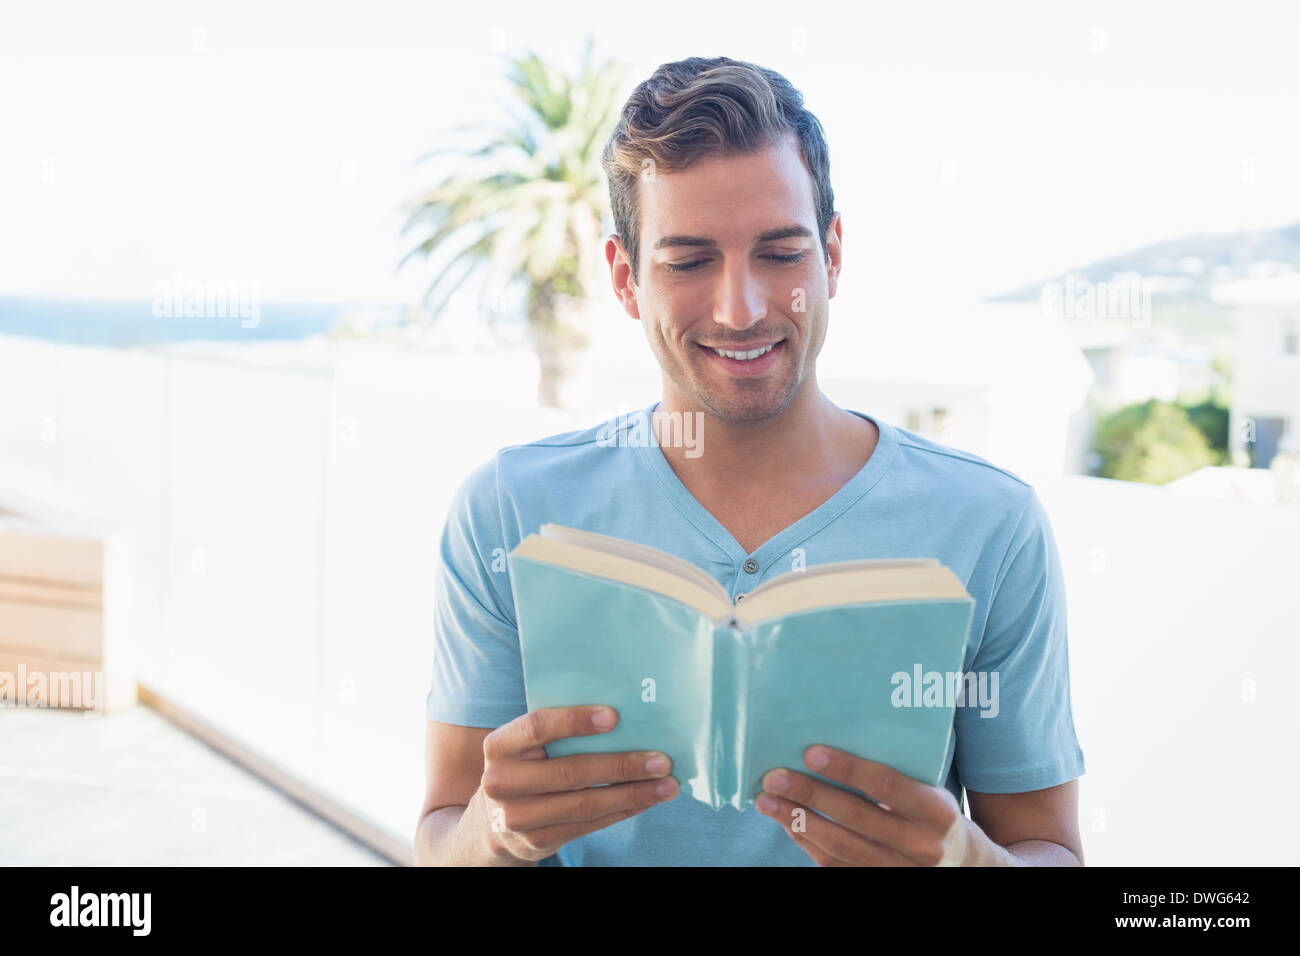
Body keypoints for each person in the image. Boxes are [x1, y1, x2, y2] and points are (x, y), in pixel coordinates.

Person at [414, 55, 1085, 866]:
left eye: (781, 253)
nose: (744, 309)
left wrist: (966, 861)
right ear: (626, 280)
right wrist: (493, 831)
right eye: (690, 261)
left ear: (831, 257)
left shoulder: (990, 525)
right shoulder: (510, 510)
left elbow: (1048, 848)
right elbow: (441, 838)